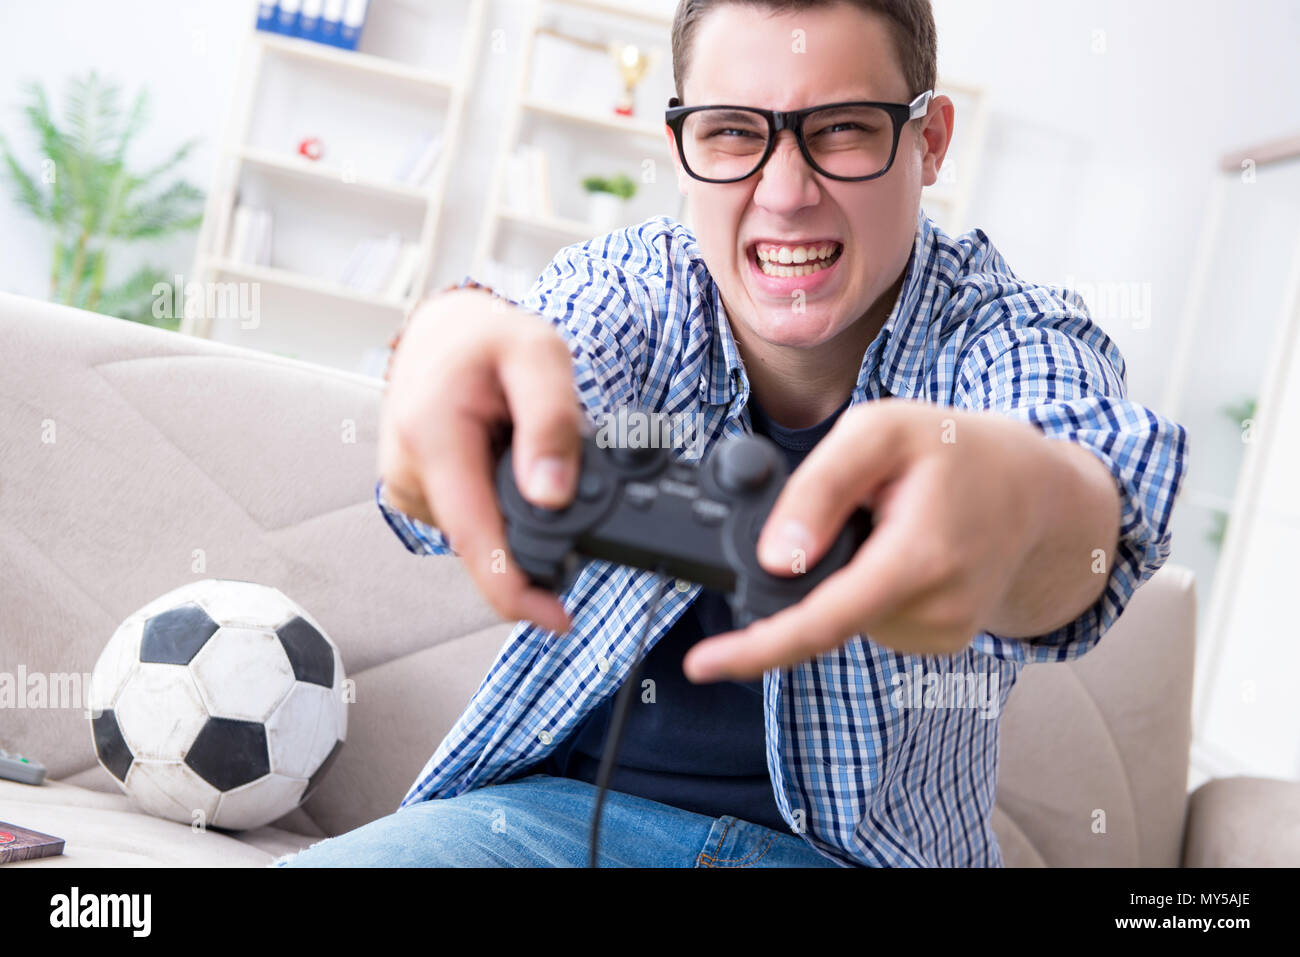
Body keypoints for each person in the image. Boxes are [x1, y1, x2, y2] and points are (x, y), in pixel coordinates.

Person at [276, 0, 1187, 868]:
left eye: (842, 129)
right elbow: (539, 357)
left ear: (930, 140)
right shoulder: (635, 287)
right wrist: (451, 359)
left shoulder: (1010, 334)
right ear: (679, 146)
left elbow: (1087, 505)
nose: (785, 194)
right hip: (538, 825)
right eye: (732, 132)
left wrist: (1028, 507)